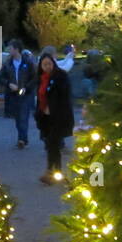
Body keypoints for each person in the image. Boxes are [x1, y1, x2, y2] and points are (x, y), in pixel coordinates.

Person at [35, 50, 75, 185]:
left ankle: (51, 172)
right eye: (44, 64)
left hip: (59, 116)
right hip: (45, 117)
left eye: (49, 64)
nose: (47, 67)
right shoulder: (41, 78)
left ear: (53, 63)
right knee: (52, 145)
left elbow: (64, 97)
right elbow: (39, 97)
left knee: (53, 143)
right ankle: (55, 172)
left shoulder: (60, 77)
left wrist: (53, 107)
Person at [0, 41, 35, 149]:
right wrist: (8, 84)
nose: (9, 51)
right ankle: (22, 138)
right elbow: (1, 78)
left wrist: (26, 87)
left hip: (25, 94)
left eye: (10, 48)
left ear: (16, 49)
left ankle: (22, 140)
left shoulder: (27, 63)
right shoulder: (8, 64)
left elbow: (34, 78)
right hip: (12, 94)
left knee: (23, 116)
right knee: (17, 118)